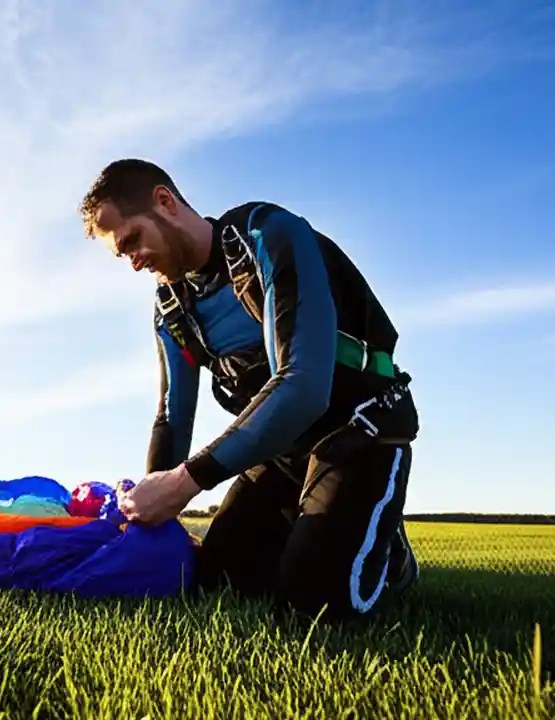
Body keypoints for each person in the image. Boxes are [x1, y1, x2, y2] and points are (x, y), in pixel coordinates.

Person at [79, 158, 421, 620]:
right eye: (124, 256)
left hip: (359, 427)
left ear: (165, 202)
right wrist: (150, 512)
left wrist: (185, 483)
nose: (134, 262)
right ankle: (316, 524)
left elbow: (303, 385)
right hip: (280, 454)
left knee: (313, 604)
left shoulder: (268, 235)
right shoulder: (171, 309)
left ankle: (391, 552)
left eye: (133, 241)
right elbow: (171, 417)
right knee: (214, 580)